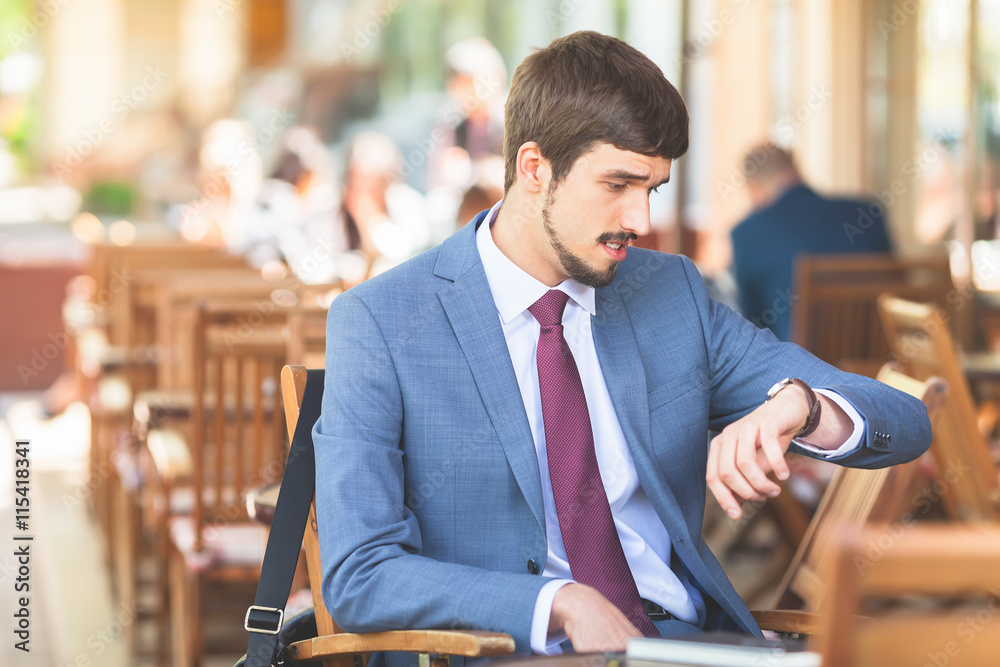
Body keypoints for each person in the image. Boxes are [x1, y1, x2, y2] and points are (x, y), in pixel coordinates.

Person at [314, 31, 930, 663]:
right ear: (535, 168)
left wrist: (801, 405)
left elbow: (906, 421)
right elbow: (362, 572)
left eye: (653, 190)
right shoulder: (382, 320)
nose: (640, 220)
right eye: (617, 185)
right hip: (496, 648)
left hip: (675, 643)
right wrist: (555, 602)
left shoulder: (670, 295)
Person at [730, 143, 892, 341]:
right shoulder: (868, 213)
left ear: (754, 187)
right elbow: (894, 290)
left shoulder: (747, 233)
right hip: (872, 362)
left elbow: (753, 323)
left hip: (800, 367)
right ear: (796, 170)